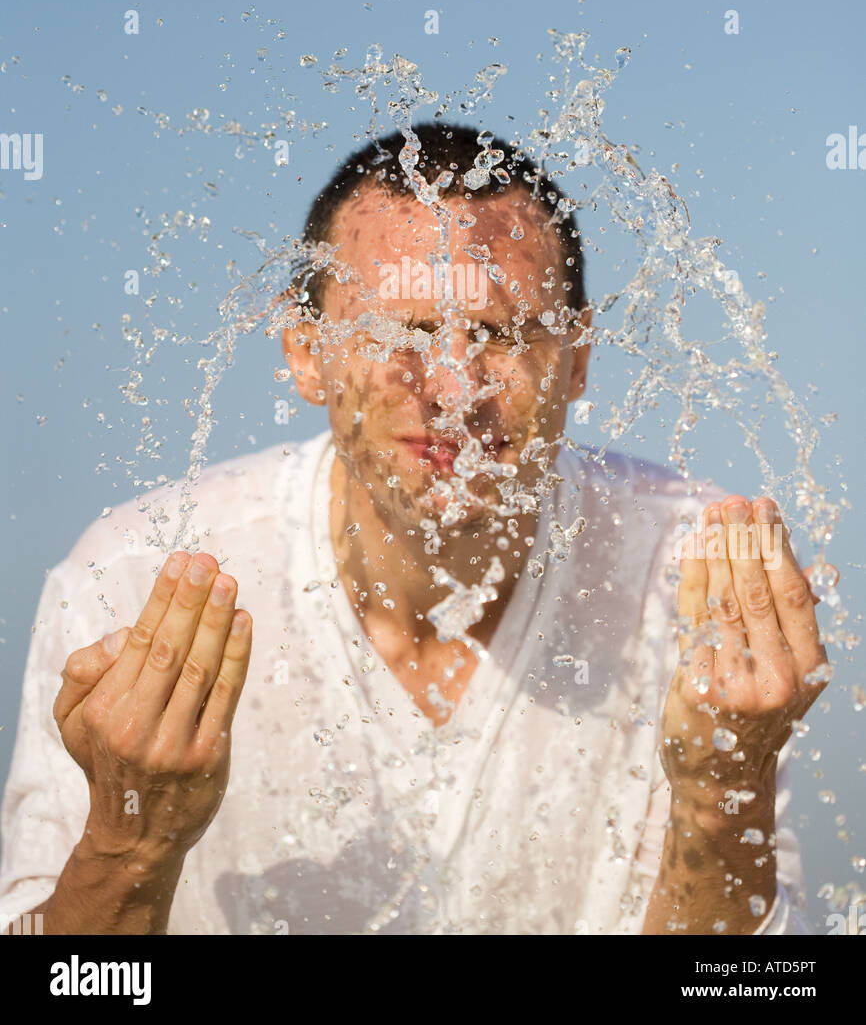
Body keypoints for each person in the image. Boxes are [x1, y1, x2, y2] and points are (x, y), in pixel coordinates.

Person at [0, 123, 828, 935]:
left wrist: (725, 795)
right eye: (401, 332)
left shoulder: (690, 573)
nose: (454, 385)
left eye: (503, 334)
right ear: (304, 348)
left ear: (578, 358)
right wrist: (129, 840)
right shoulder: (131, 579)